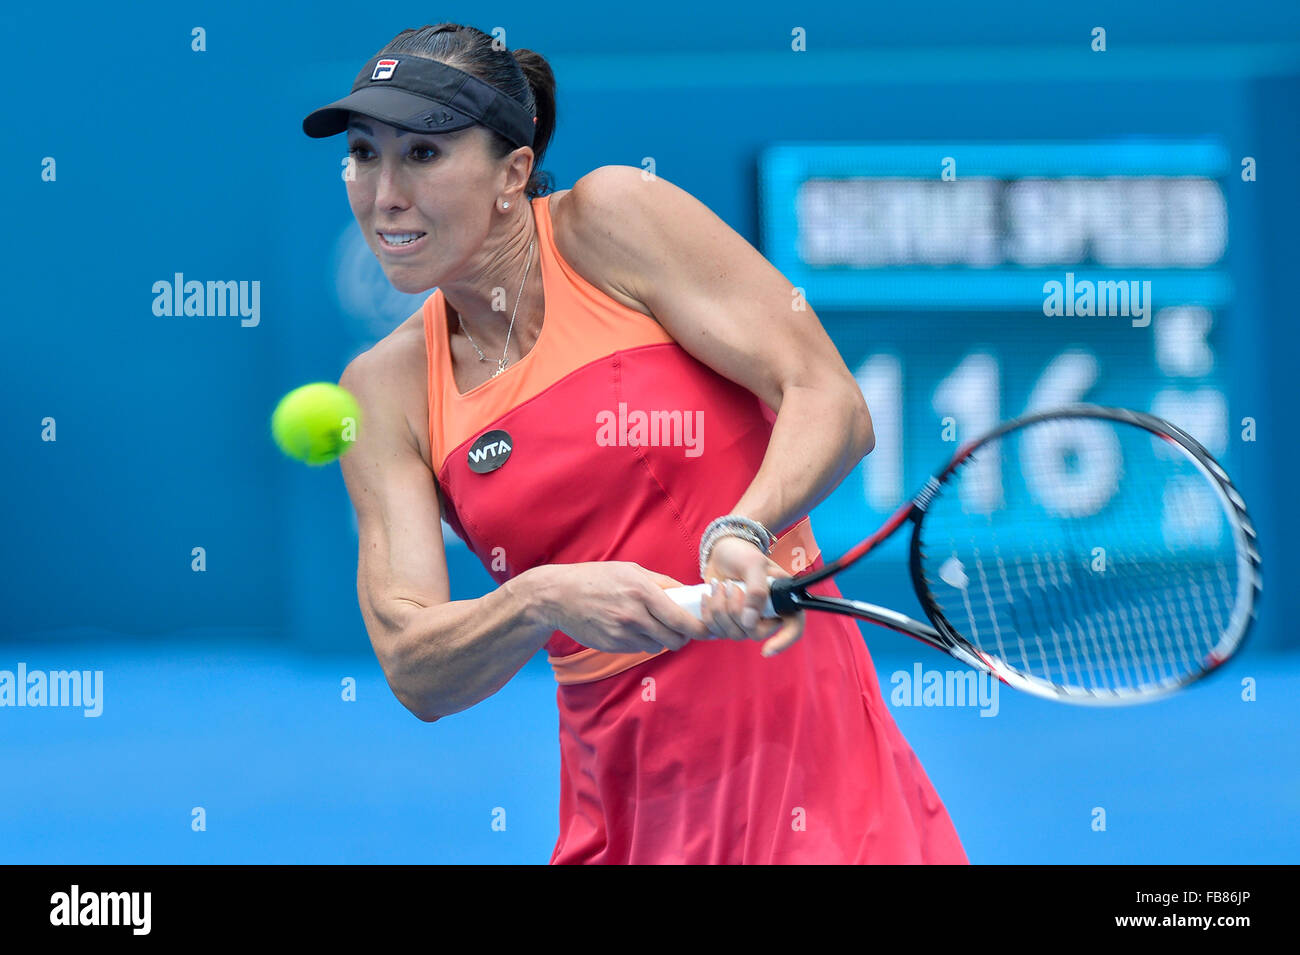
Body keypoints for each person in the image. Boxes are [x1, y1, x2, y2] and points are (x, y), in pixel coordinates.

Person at [304, 22, 968, 864]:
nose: (383, 192)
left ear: (514, 170)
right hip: (627, 817)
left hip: (823, 787)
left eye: (423, 155)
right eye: (365, 154)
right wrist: (540, 598)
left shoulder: (612, 220)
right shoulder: (384, 390)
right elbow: (415, 665)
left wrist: (742, 529)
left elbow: (829, 398)